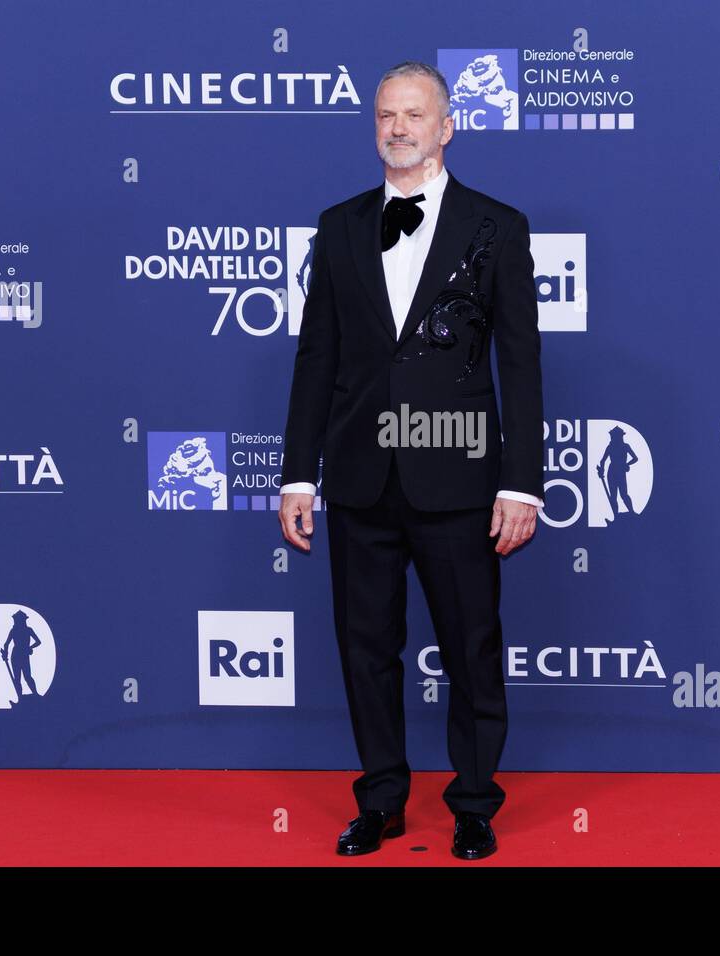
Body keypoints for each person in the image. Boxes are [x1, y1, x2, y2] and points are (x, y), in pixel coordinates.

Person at [278, 60, 544, 860]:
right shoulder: (338, 226)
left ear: (446, 125)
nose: (398, 128)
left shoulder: (498, 225)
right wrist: (298, 472)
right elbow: (315, 357)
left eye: (414, 115)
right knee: (366, 649)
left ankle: (472, 804)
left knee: (471, 647)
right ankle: (383, 800)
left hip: (457, 474)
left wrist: (521, 482)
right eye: (386, 115)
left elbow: (521, 363)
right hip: (361, 475)